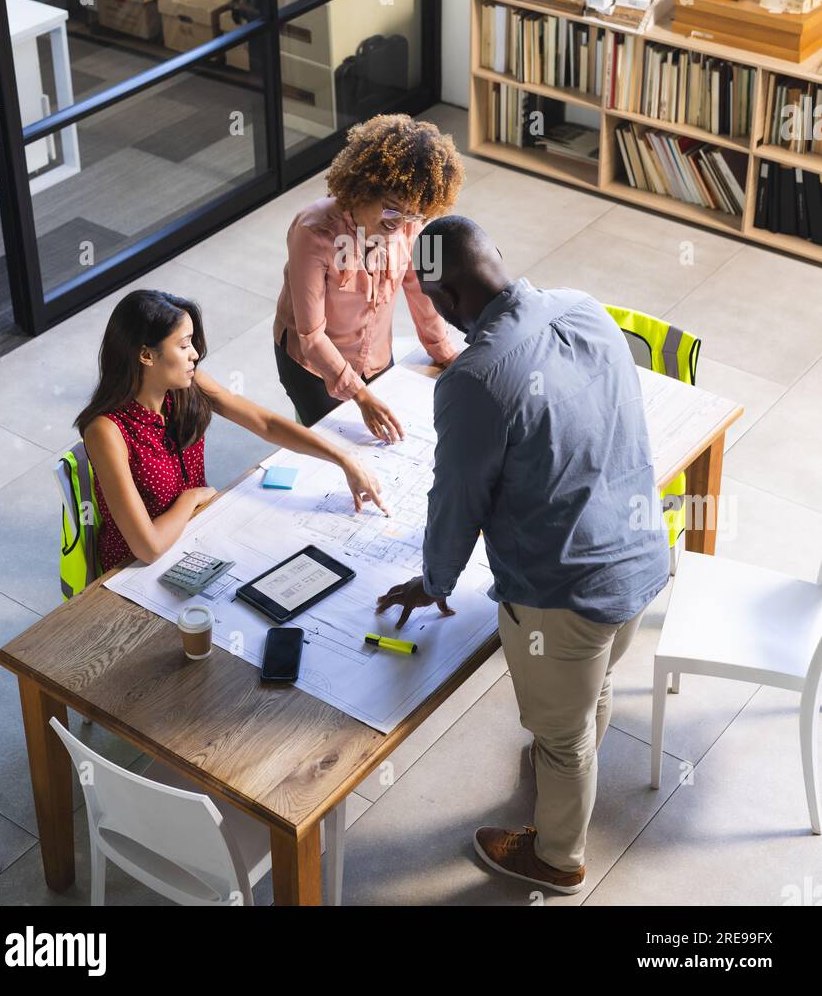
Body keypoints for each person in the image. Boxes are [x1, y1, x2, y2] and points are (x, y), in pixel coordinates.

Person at [376, 216, 670, 896]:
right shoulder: (584, 308)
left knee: (562, 738)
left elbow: (457, 500)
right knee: (590, 690)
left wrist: (433, 579)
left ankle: (556, 860)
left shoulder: (474, 378)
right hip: (641, 556)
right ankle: (564, 766)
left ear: (444, 297)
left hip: (565, 593)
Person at [78, 289, 386, 574]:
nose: (194, 355)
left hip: (197, 534)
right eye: (184, 345)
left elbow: (265, 424)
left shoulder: (186, 385)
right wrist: (192, 498)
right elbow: (147, 547)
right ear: (146, 356)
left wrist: (343, 459)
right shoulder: (106, 431)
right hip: (135, 572)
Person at [273, 114, 464, 436]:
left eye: (413, 213)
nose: (400, 223)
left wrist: (445, 353)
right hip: (312, 364)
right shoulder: (313, 231)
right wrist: (361, 396)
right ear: (364, 187)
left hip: (373, 356)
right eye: (391, 208)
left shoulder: (410, 225)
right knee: (336, 447)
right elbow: (311, 337)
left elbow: (422, 294)